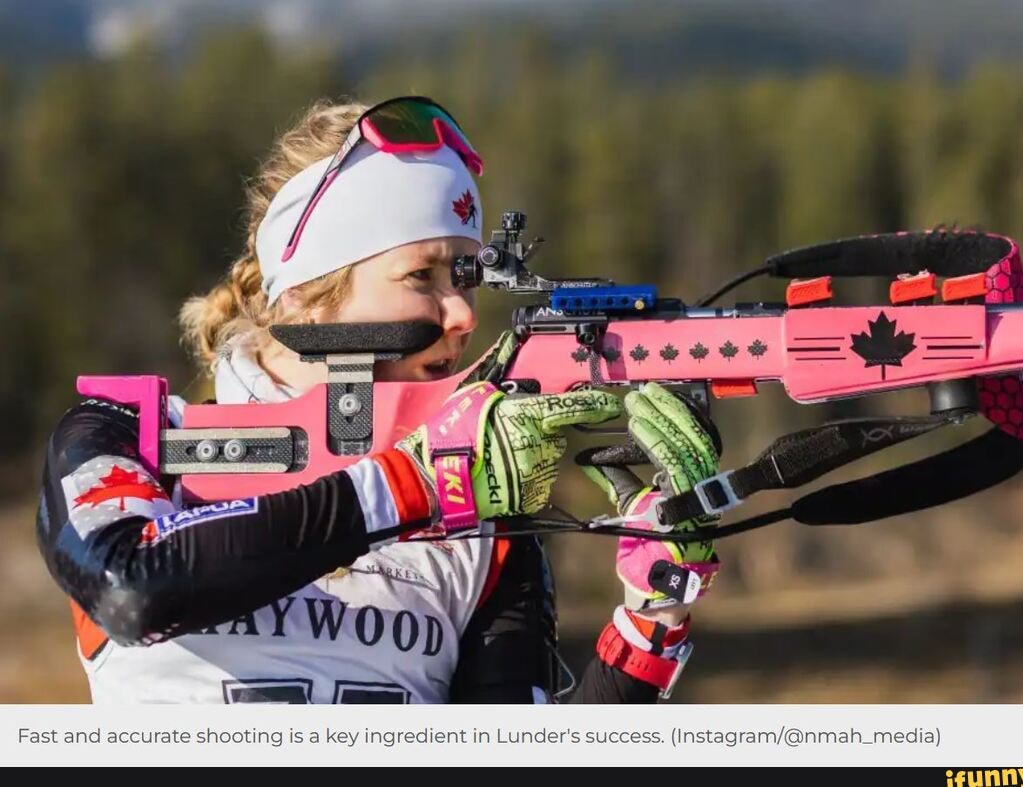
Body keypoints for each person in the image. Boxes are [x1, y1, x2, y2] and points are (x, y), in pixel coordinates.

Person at [35, 96, 722, 704]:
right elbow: (133, 589)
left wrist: (652, 620)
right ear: (305, 294)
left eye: (465, 277)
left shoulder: (481, 516)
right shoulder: (129, 437)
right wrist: (416, 483)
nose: (463, 315)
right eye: (422, 275)